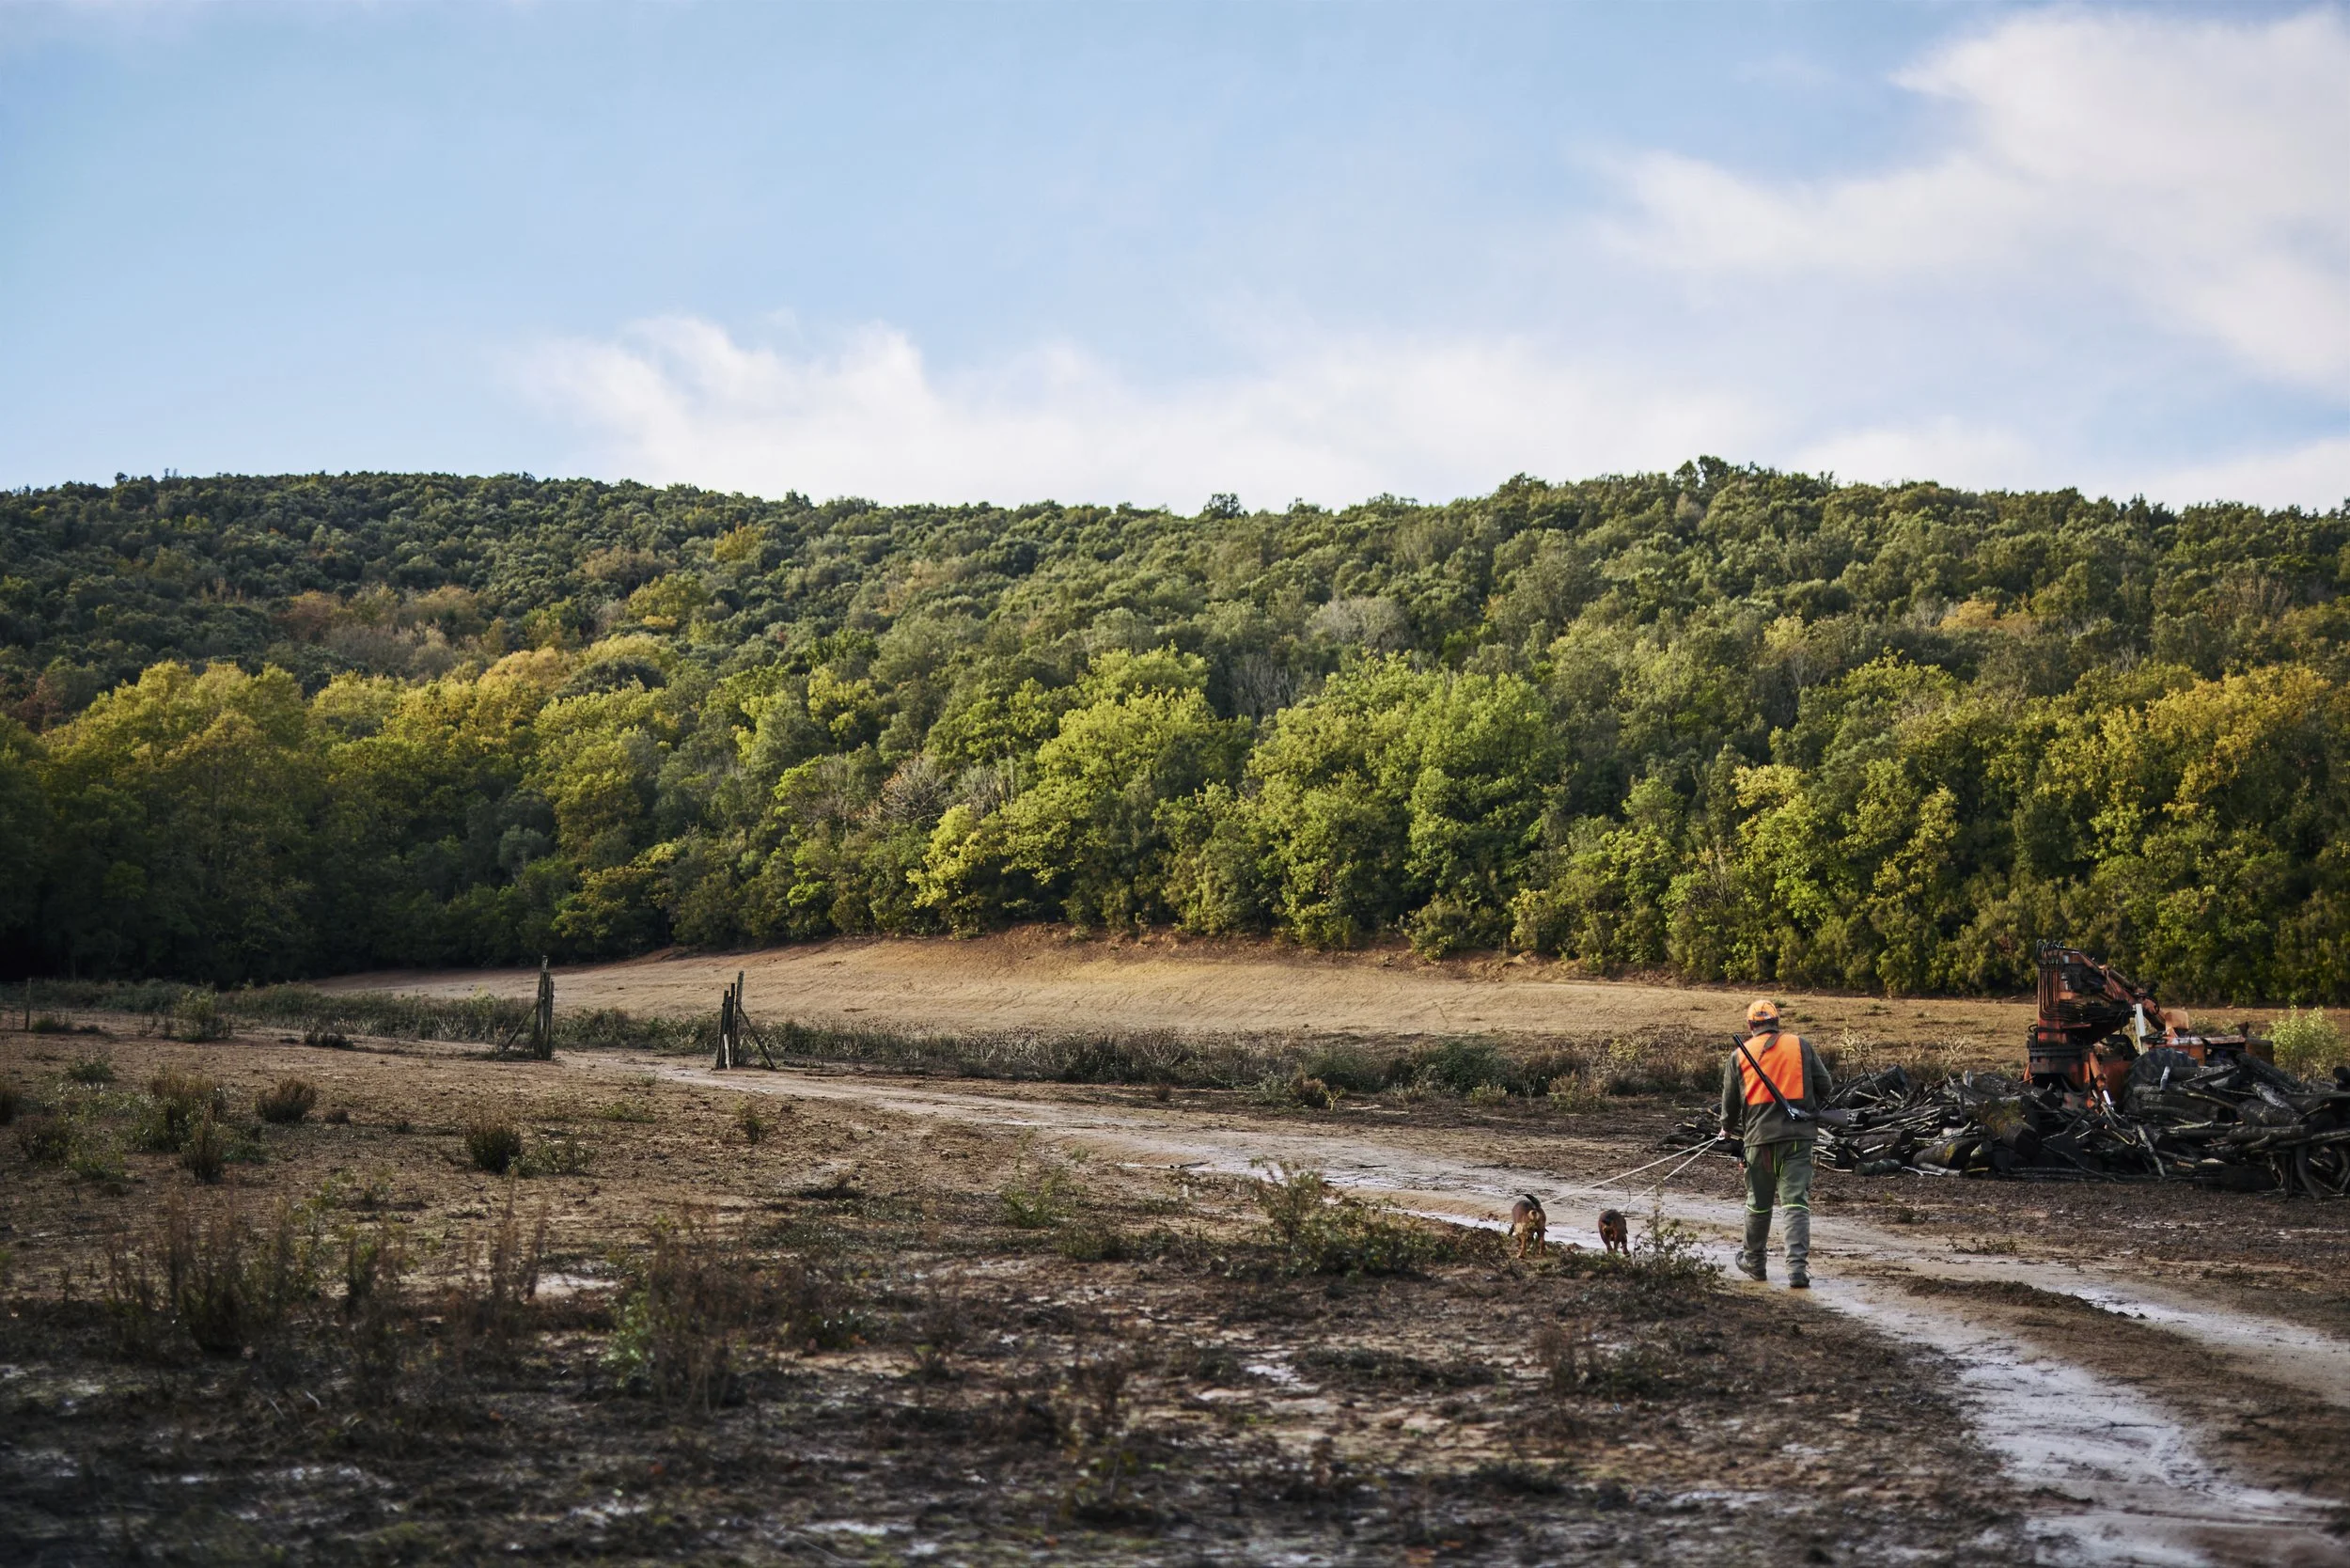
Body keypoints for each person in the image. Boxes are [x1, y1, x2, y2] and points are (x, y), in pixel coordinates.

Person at [1719, 998, 1837, 1289]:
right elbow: (1826, 1086)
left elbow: (1730, 1107)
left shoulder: (1739, 1055)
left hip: (1759, 1140)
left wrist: (1726, 1130)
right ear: (1777, 1022)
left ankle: (1755, 1263)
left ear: (1750, 1025)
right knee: (1795, 1202)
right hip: (1798, 1139)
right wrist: (1805, 1107)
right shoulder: (1800, 1045)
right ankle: (1796, 1269)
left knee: (1758, 1204)